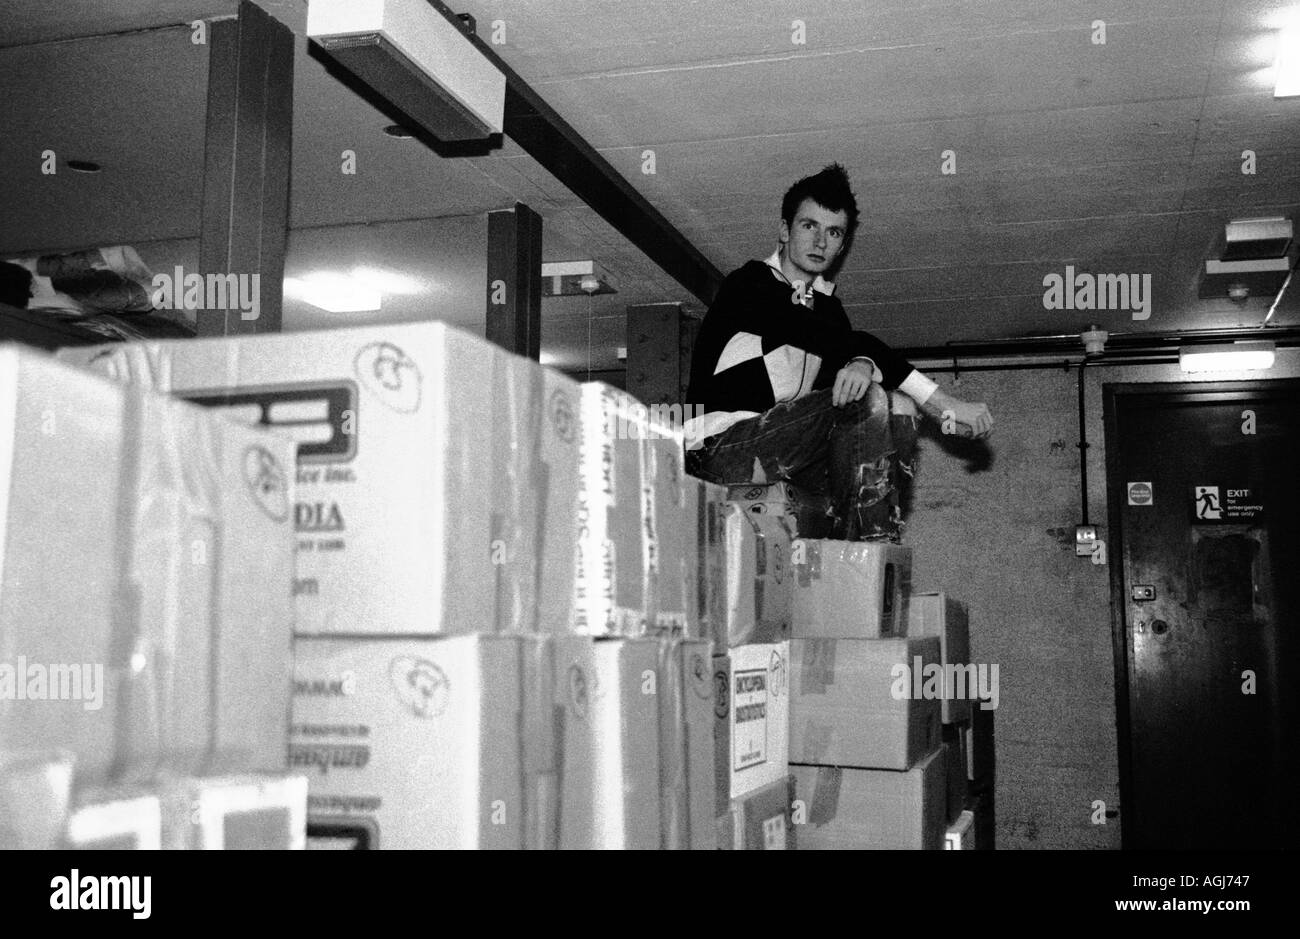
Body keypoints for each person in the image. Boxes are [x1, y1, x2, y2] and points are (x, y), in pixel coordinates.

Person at [684, 163, 993, 541]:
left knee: (899, 408)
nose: (820, 242)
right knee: (871, 400)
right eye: (808, 226)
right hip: (721, 451)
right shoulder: (750, 286)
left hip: (787, 455)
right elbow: (834, 341)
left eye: (833, 232)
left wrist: (862, 362)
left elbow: (845, 359)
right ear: (784, 230)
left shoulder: (828, 309)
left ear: (842, 244)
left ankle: (864, 546)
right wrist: (945, 404)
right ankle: (868, 545)